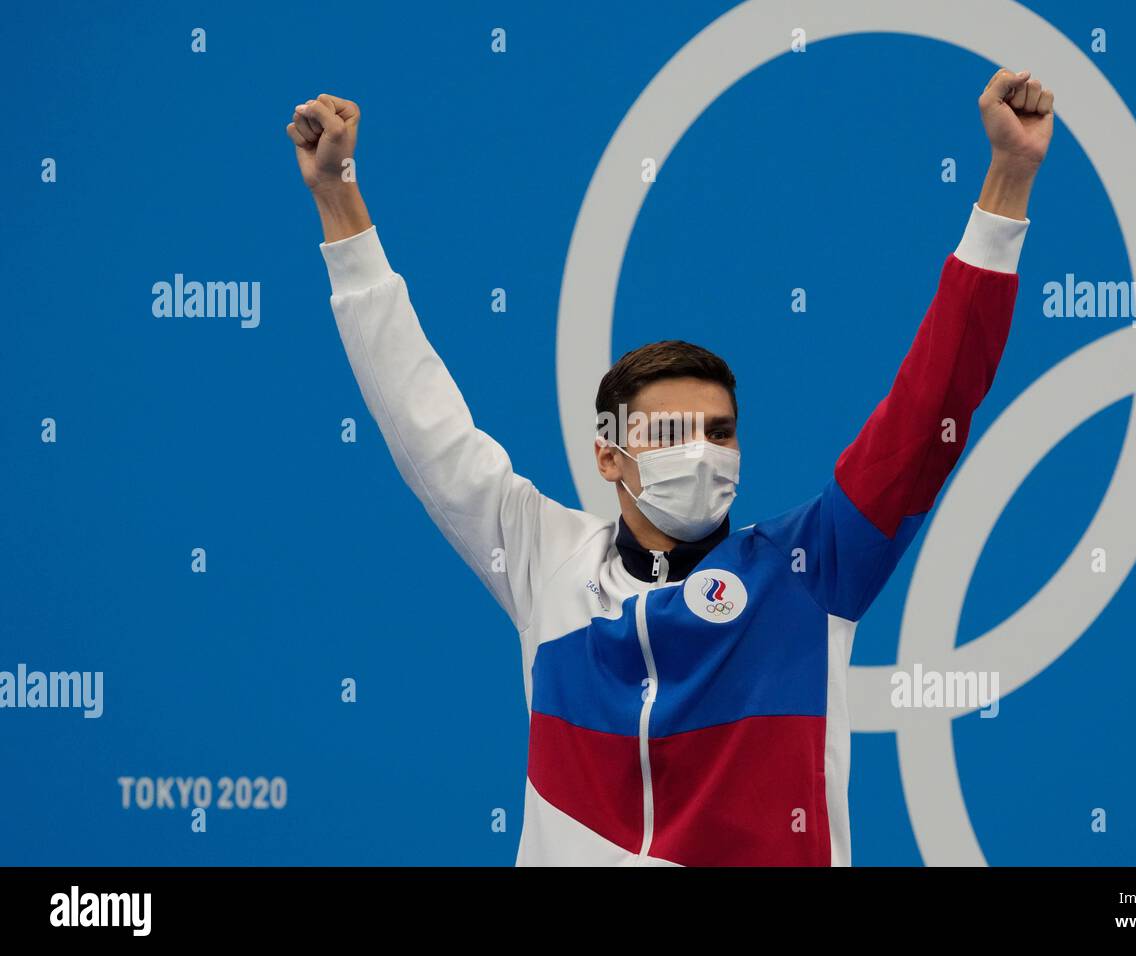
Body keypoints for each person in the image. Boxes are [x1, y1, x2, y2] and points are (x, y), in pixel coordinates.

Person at [286, 67, 1054, 866]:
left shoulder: (810, 571)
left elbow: (931, 405)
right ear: (608, 455)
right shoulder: (544, 562)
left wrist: (1008, 179)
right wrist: (339, 199)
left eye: (721, 431)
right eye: (675, 431)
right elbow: (422, 420)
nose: (705, 451)